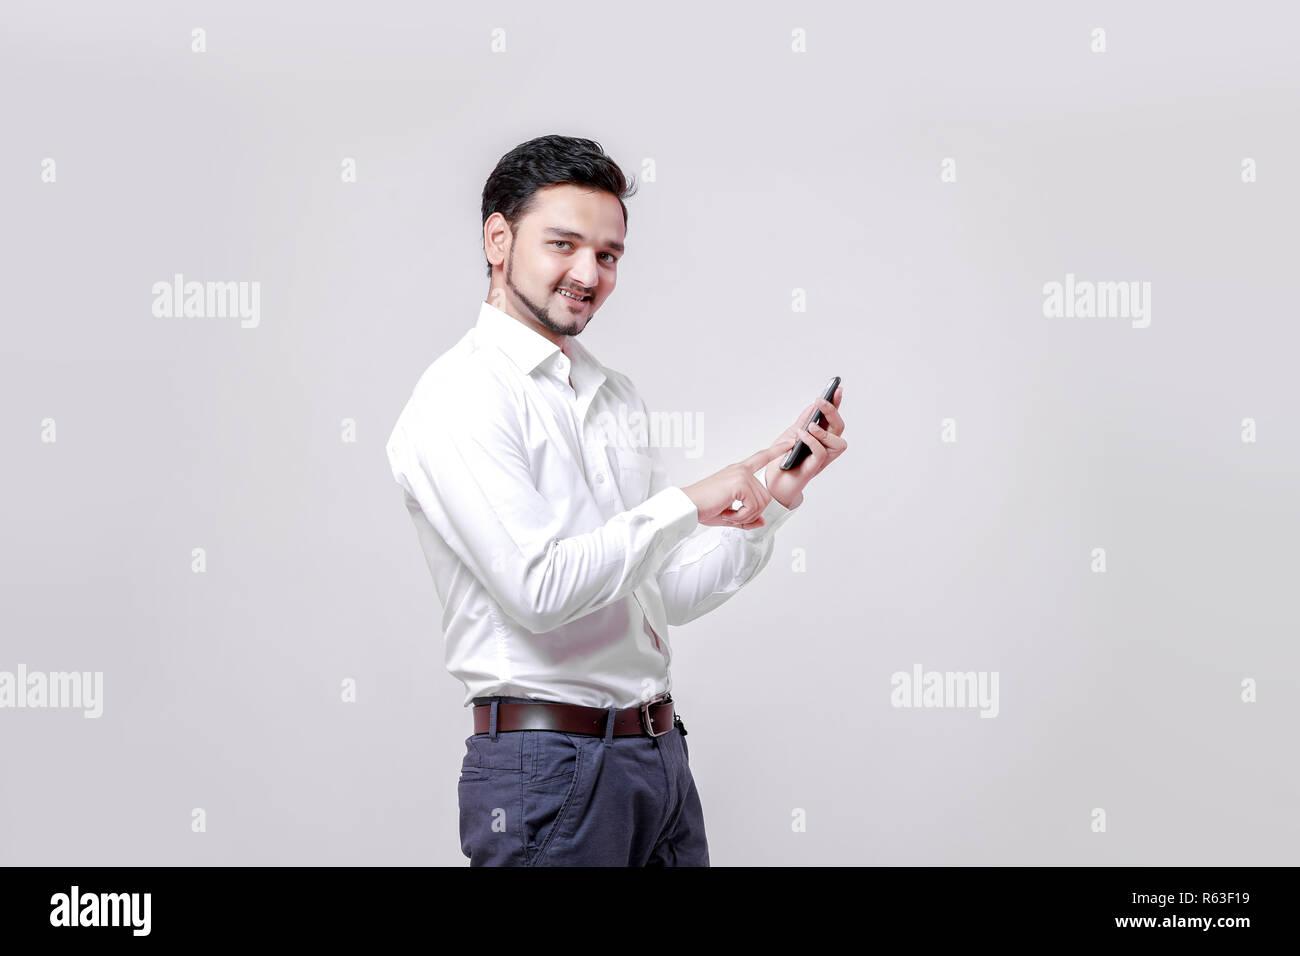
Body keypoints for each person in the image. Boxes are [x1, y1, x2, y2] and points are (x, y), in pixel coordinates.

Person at [385, 134, 847, 866]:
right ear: (498, 239)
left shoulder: (611, 395)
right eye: (562, 244)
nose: (587, 274)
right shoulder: (462, 396)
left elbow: (659, 598)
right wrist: (690, 504)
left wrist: (770, 504)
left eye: (607, 255)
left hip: (655, 759)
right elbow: (540, 590)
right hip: (547, 769)